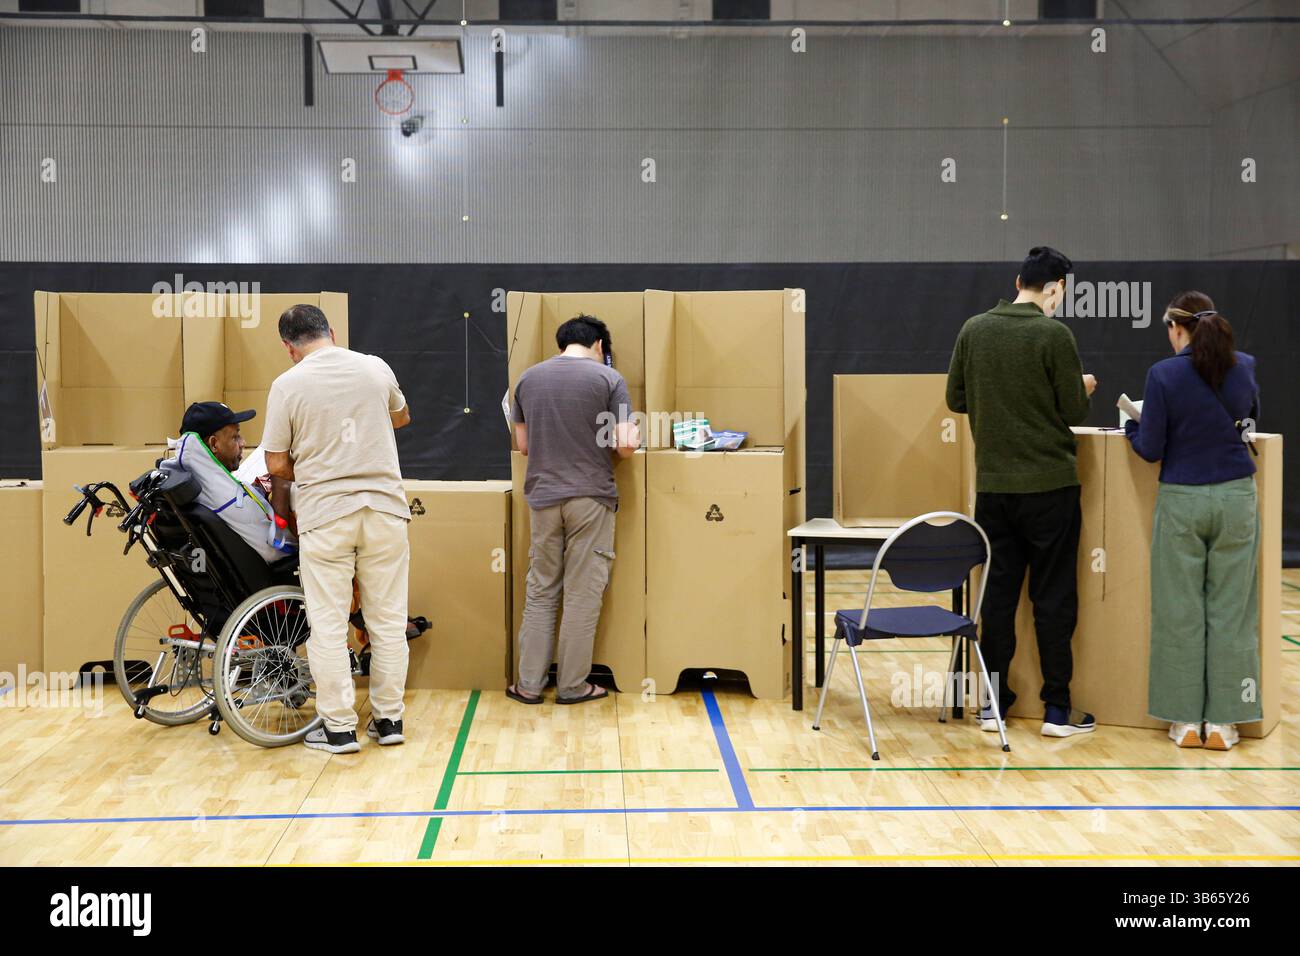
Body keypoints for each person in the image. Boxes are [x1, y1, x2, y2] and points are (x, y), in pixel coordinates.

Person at [945, 246, 1098, 737]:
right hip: (1051, 487)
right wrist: (1083, 385)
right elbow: (1075, 409)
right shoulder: (1054, 335)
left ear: (1017, 281)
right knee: (1054, 599)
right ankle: (1056, 709)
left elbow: (955, 398)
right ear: (1055, 289)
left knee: (999, 598)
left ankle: (993, 705)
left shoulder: (974, 329)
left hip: (994, 489)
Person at [261, 304, 413, 754]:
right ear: (332, 330)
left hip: (326, 514)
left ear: (289, 348)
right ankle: (389, 721)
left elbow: (275, 462)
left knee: (327, 625)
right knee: (386, 622)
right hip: (385, 510)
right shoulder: (374, 367)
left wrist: (313, 460)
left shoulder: (288, 385)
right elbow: (402, 417)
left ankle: (340, 730)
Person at [1124, 292, 1260, 751]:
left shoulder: (1163, 375)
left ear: (1175, 328)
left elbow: (1152, 448)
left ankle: (1184, 720)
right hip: (1237, 496)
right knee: (1232, 609)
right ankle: (1225, 721)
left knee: (1179, 610)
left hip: (1182, 497)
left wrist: (1130, 428)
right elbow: (1249, 420)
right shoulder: (1246, 366)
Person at [507, 314, 640, 705]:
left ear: (563, 342)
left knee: (541, 591)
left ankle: (529, 685)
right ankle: (572, 686)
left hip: (543, 498)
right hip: (591, 497)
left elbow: (523, 446)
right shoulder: (609, 380)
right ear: (600, 345)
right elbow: (627, 446)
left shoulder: (529, 379)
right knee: (583, 593)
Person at [171, 402, 295, 563]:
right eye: (235, 436)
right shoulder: (224, 495)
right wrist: (280, 479)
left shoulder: (203, 483)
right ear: (214, 444)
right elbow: (277, 547)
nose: (243, 443)